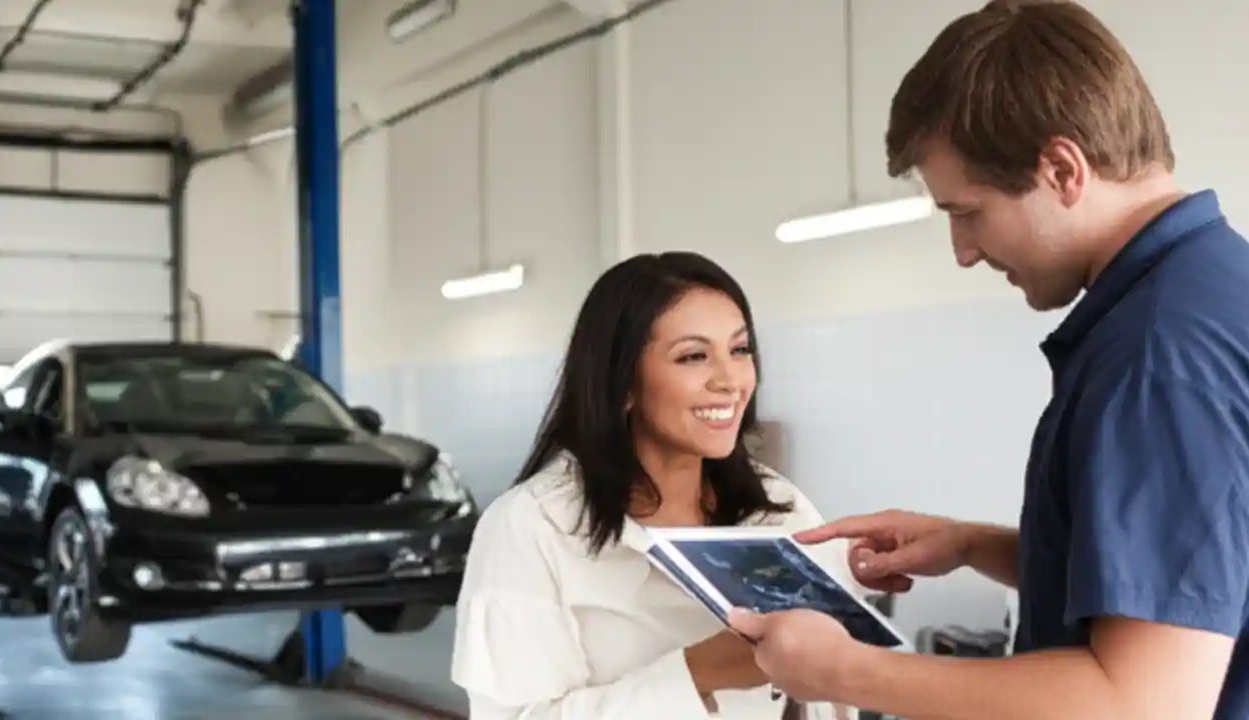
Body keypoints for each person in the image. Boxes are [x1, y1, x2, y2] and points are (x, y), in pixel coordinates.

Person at [728, 2, 1249, 719]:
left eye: (966, 213)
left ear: (1062, 169)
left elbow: (1142, 703)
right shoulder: (1218, 287)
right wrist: (973, 544)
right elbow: (1197, 577)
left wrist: (844, 670)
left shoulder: (1156, 355)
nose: (964, 252)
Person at [450, 252, 859, 719]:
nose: (731, 381)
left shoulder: (779, 507)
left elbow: (831, 692)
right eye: (693, 356)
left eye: (740, 350)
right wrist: (700, 672)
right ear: (622, 382)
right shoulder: (530, 527)